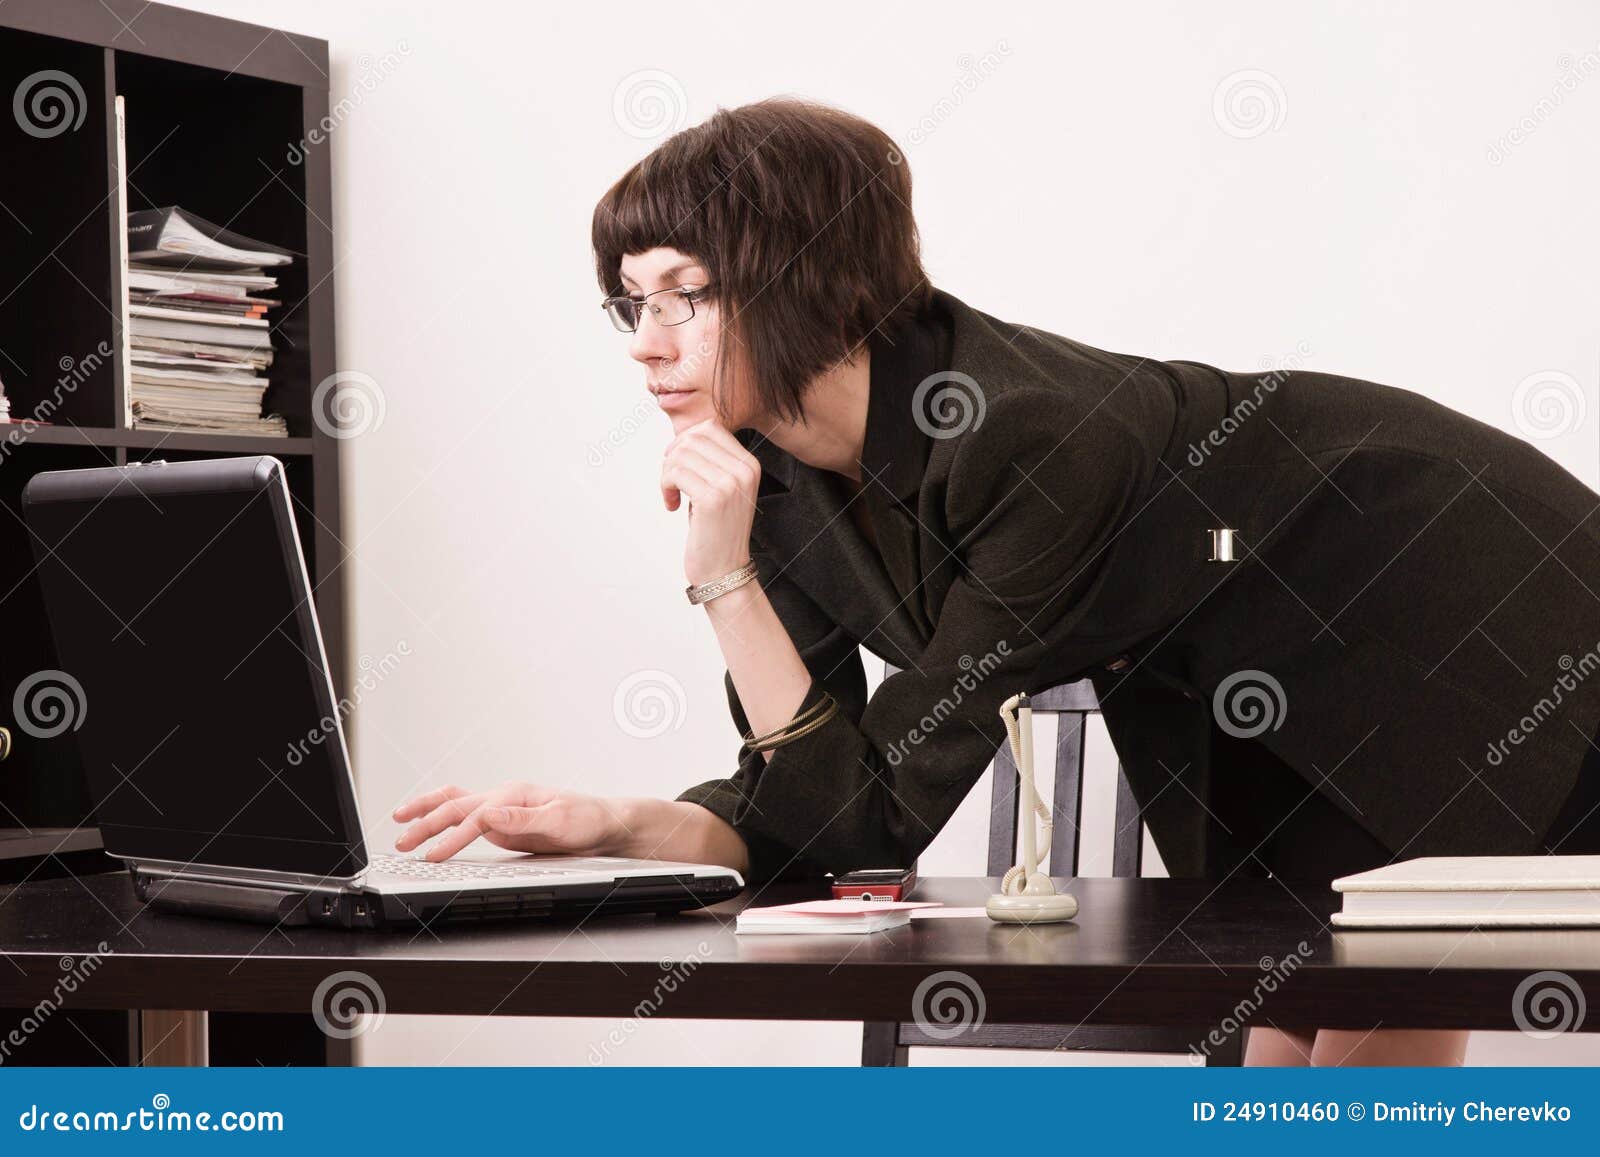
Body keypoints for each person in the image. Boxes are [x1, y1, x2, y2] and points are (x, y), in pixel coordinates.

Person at [393, 96, 1600, 1067]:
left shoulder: (1027, 439)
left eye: (689, 295)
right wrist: (627, 822)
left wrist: (720, 581)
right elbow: (827, 815)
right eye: (632, 300)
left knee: (1380, 982)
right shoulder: (765, 471)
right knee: (1282, 1020)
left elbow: (880, 811)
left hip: (1418, 568)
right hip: (1228, 663)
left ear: (814, 280)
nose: (647, 343)